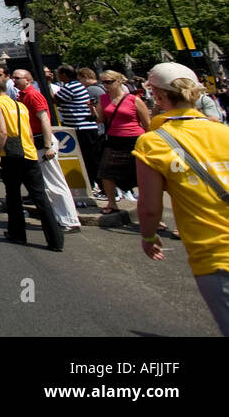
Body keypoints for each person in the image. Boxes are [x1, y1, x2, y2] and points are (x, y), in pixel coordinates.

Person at [134, 62, 229, 335]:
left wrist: (149, 237)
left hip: (215, 255)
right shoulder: (224, 132)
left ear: (159, 96)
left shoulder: (153, 142)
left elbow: (150, 209)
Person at [0, 80, 64, 251]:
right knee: (40, 196)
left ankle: (17, 234)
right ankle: (55, 240)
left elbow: (2, 131)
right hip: (29, 153)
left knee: (13, 195)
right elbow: (30, 132)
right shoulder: (20, 105)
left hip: (11, 155)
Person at [13, 68, 80, 233]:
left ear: (28, 79)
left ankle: (70, 220)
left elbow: (44, 119)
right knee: (46, 183)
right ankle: (61, 217)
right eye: (14, 78)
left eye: (17, 78)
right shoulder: (22, 96)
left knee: (54, 182)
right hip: (35, 142)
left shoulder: (33, 95)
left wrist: (48, 144)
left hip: (42, 141)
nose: (14, 81)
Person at [95, 69, 151, 215]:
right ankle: (112, 203)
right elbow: (99, 119)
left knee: (140, 175)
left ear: (119, 81)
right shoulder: (103, 99)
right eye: (103, 82)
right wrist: (92, 110)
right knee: (106, 172)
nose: (106, 85)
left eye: (109, 82)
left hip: (134, 139)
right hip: (113, 139)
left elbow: (147, 124)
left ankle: (149, 209)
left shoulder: (133, 99)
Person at [57, 65, 101, 190]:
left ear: (64, 75)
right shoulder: (74, 86)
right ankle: (93, 183)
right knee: (88, 157)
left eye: (59, 74)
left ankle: (100, 185)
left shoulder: (71, 86)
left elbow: (56, 99)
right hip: (81, 126)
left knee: (90, 158)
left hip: (83, 127)